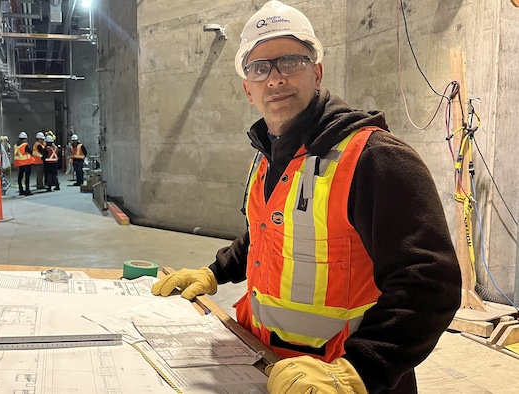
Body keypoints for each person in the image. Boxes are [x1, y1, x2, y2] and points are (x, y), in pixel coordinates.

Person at [151, 2, 461, 394]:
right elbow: (266, 235)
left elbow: (430, 281)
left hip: (339, 379)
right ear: (248, 89)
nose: (275, 78)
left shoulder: (373, 157)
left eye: (290, 62)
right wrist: (216, 272)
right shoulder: (268, 156)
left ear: (317, 73)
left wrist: (361, 370)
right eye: (259, 68)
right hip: (266, 364)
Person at [13, 131, 34, 196]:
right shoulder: (25, 145)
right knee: (27, 178)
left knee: (20, 178)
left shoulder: (16, 146)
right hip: (26, 163)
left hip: (19, 164)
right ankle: (27, 191)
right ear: (25, 139)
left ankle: (21, 190)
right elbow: (31, 152)